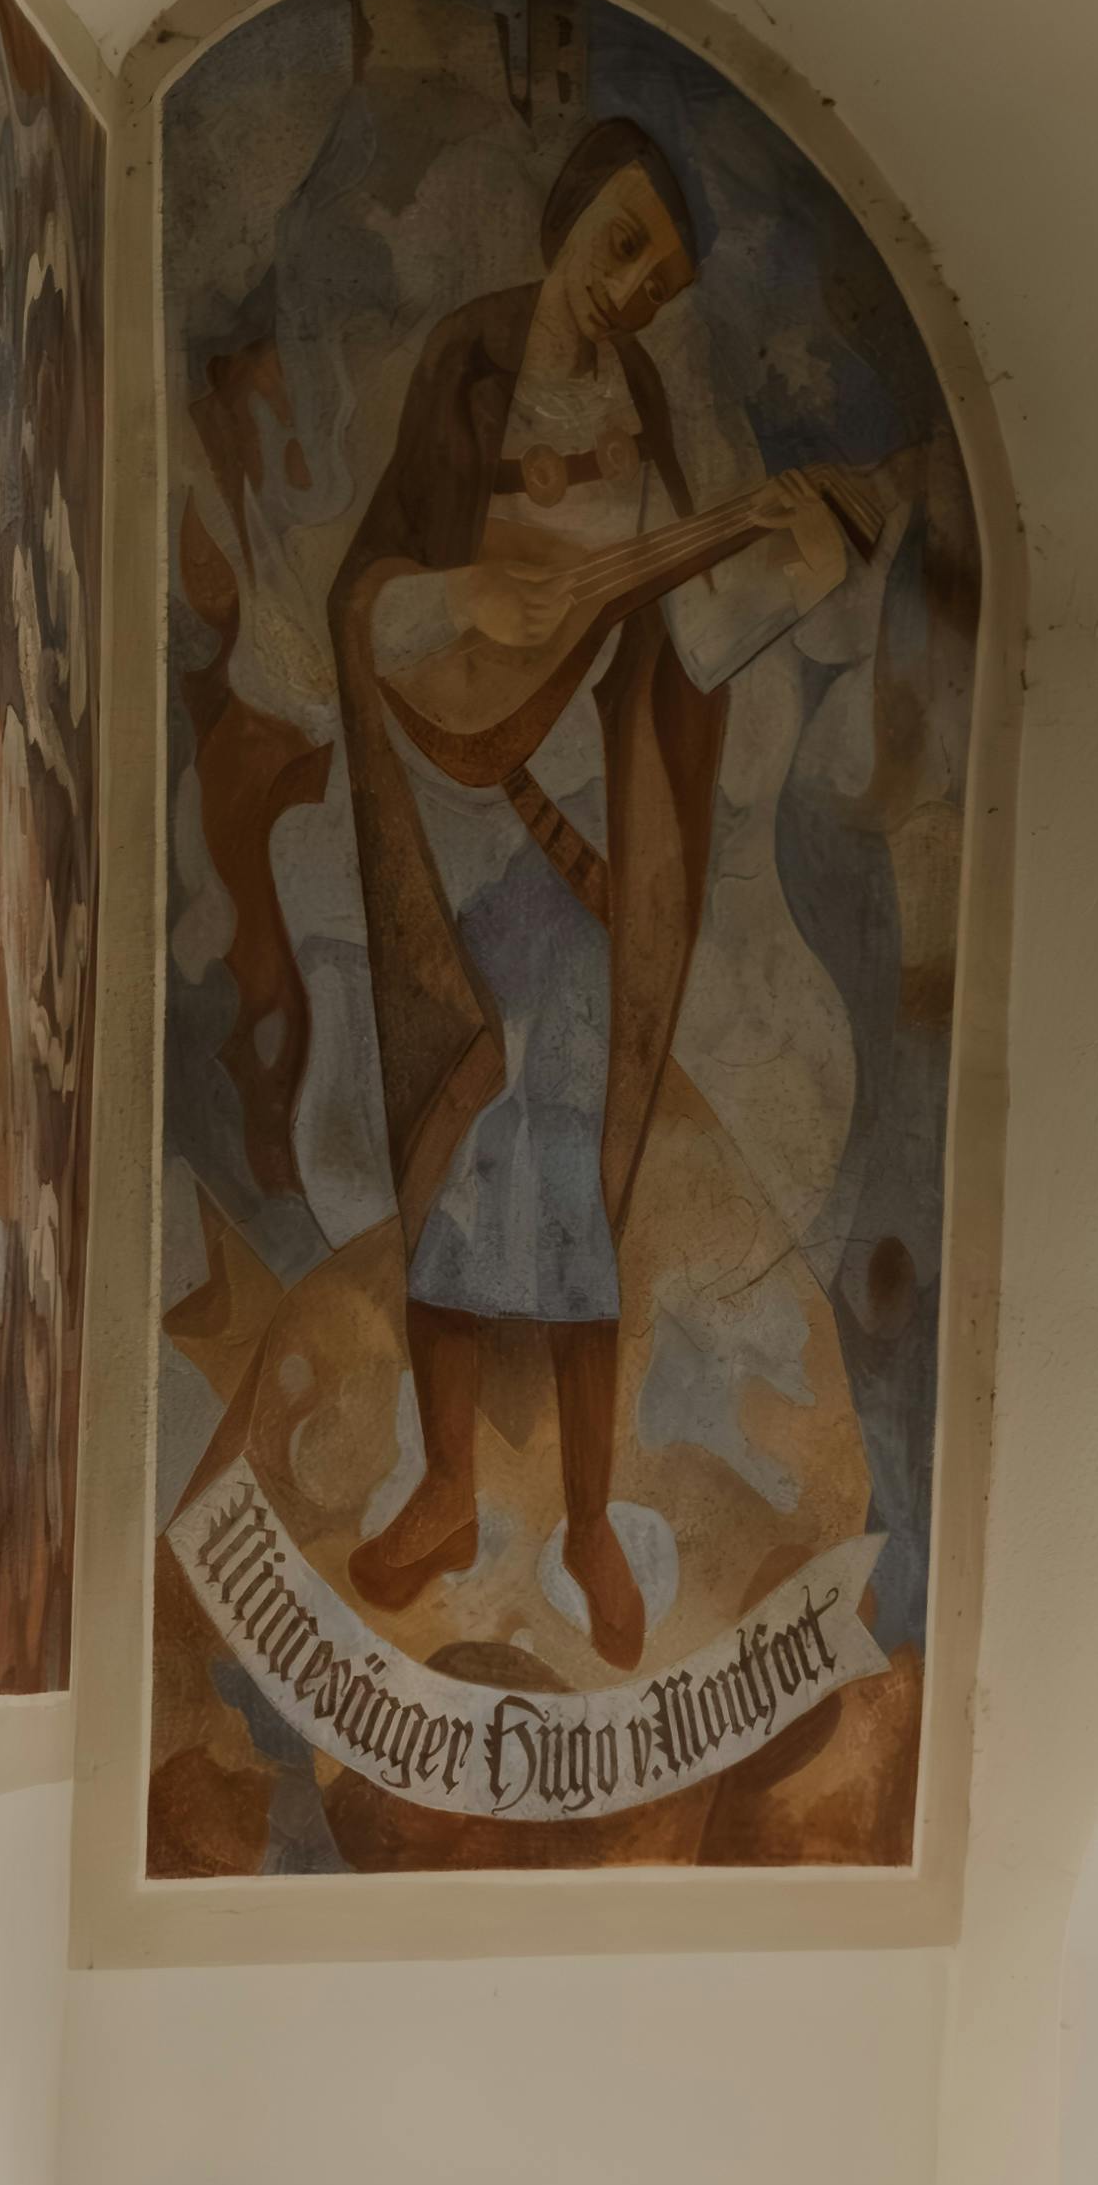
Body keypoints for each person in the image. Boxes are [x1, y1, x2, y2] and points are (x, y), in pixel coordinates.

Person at [327, 115, 885, 1669]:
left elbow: (683, 641)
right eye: (627, 240)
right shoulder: (470, 364)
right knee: (453, 1133)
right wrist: (461, 593)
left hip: (577, 823)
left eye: (660, 279)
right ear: (576, 210)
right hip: (448, 811)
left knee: (563, 1155)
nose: (633, 288)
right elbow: (369, 595)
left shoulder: (640, 419)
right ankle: (446, 1481)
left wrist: (796, 570)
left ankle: (577, 1520)